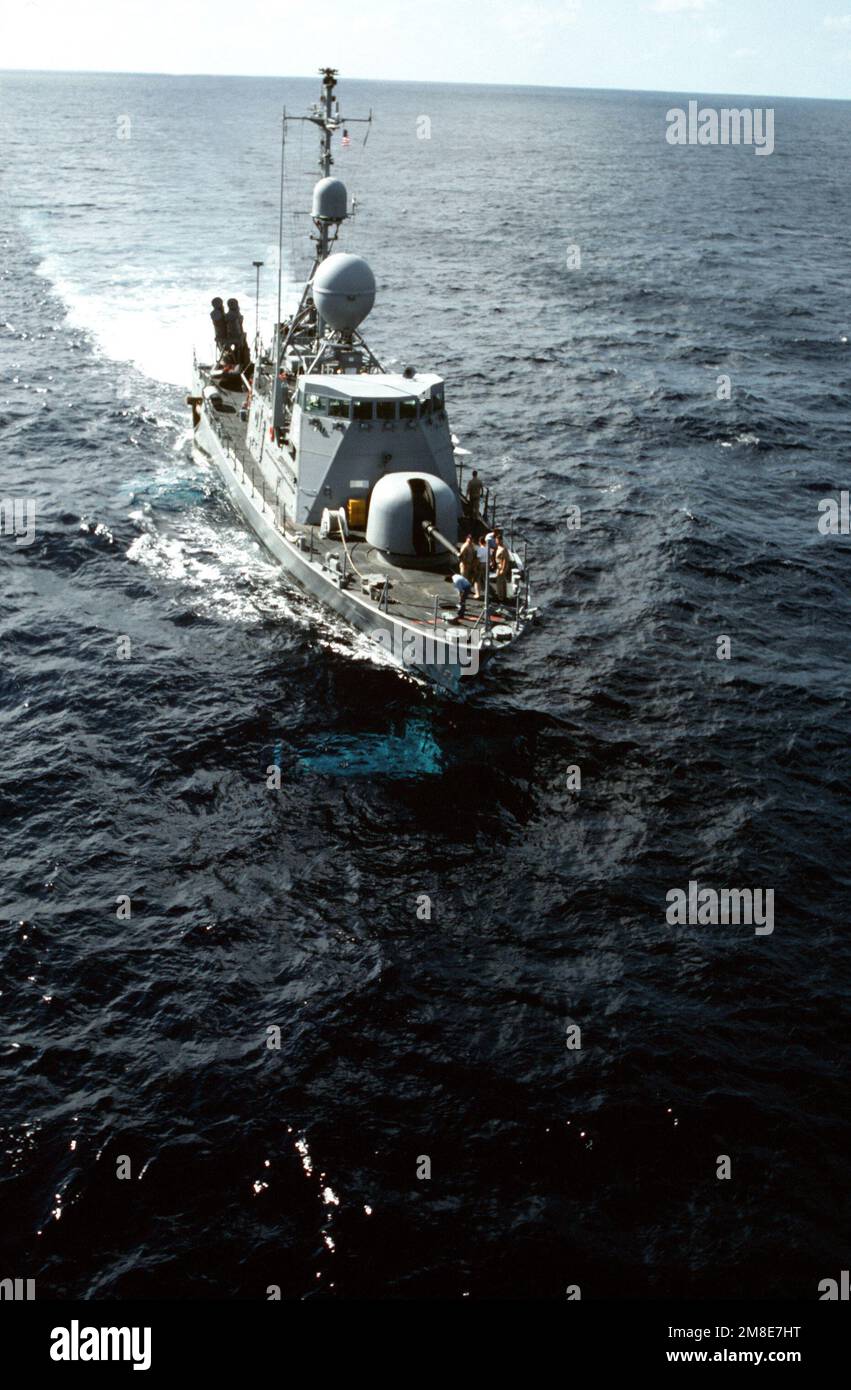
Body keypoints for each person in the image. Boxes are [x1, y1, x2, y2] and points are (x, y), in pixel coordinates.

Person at [458, 534, 480, 598]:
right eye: (469, 538)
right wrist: (465, 565)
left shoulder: (472, 546)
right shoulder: (465, 546)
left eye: (471, 539)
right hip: (465, 565)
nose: (470, 540)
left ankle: (467, 590)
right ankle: (461, 594)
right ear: (467, 538)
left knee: (469, 579)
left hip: (470, 565)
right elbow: (461, 557)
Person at [494, 531, 512, 604]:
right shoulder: (498, 547)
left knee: (499, 582)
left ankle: (500, 597)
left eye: (497, 540)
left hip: (501, 567)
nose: (496, 541)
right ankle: (503, 595)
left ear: (500, 540)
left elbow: (505, 560)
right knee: (502, 582)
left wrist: (502, 569)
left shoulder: (503, 549)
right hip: (498, 565)